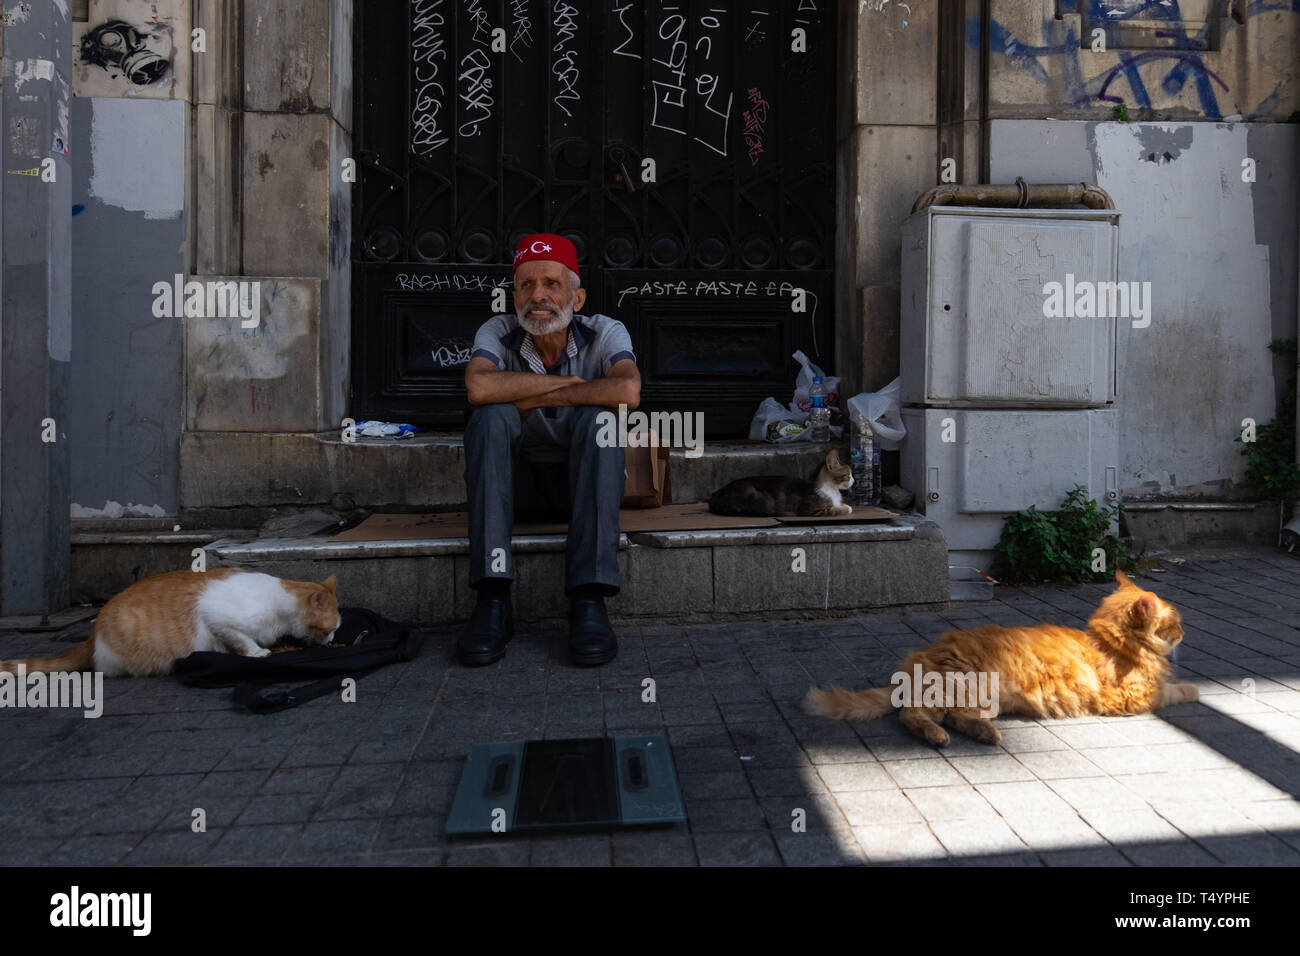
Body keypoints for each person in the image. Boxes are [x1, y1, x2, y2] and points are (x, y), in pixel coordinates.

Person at [460, 234, 641, 667]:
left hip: (585, 489)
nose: (537, 296)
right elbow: (479, 386)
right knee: (489, 418)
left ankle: (588, 601)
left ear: (576, 298)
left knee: (602, 421)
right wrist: (579, 388)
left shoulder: (606, 331)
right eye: (525, 285)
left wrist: (533, 396)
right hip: (516, 491)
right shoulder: (497, 331)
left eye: (551, 284)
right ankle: (493, 600)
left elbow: (627, 391)